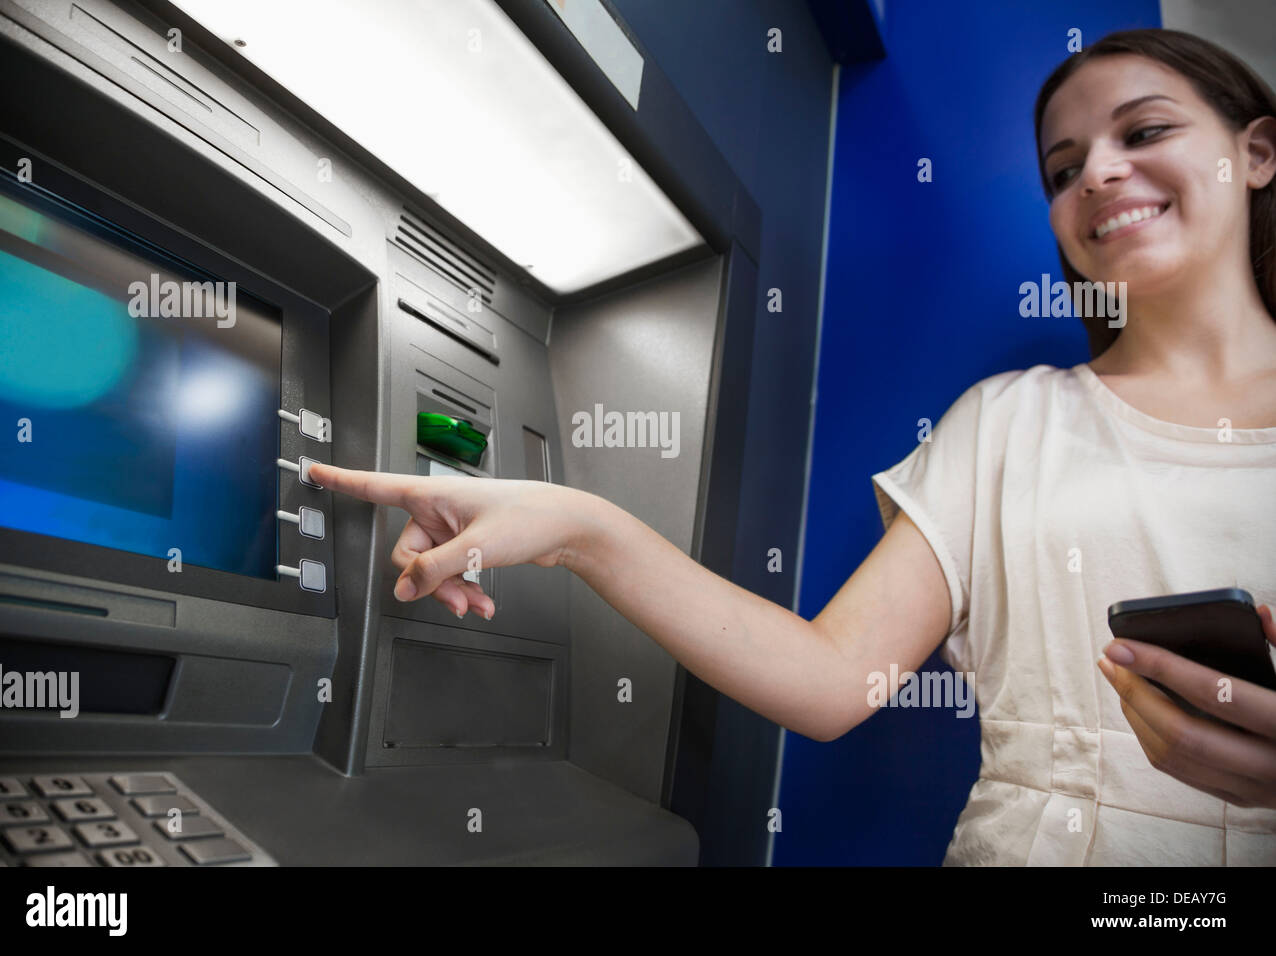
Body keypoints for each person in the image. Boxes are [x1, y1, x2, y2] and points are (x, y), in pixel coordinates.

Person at [308, 27, 1276, 866]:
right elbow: (828, 678)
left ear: (1258, 152)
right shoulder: (1008, 420)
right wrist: (578, 525)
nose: (1099, 174)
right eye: (1063, 168)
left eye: (1143, 131)